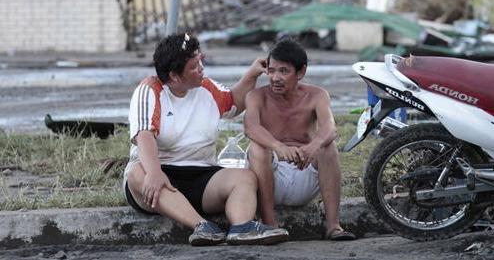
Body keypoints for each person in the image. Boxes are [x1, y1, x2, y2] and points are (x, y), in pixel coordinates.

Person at [123, 33, 289, 246]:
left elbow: (234, 103)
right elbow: (144, 135)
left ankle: (242, 227)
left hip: (202, 177)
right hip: (160, 175)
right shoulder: (150, 90)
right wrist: (154, 173)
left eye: (201, 61)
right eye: (194, 66)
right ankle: (202, 226)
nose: (201, 68)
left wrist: (252, 74)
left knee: (244, 178)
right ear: (174, 76)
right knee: (137, 173)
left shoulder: (206, 87)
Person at [244, 38, 356, 241]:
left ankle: (333, 226)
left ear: (301, 72)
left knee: (328, 148)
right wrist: (277, 146)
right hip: (271, 175)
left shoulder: (317, 95)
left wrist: (313, 146)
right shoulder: (256, 96)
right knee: (258, 148)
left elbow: (330, 127)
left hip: (304, 170)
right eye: (271, 70)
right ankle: (270, 225)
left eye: (284, 71)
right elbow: (250, 127)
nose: (275, 77)